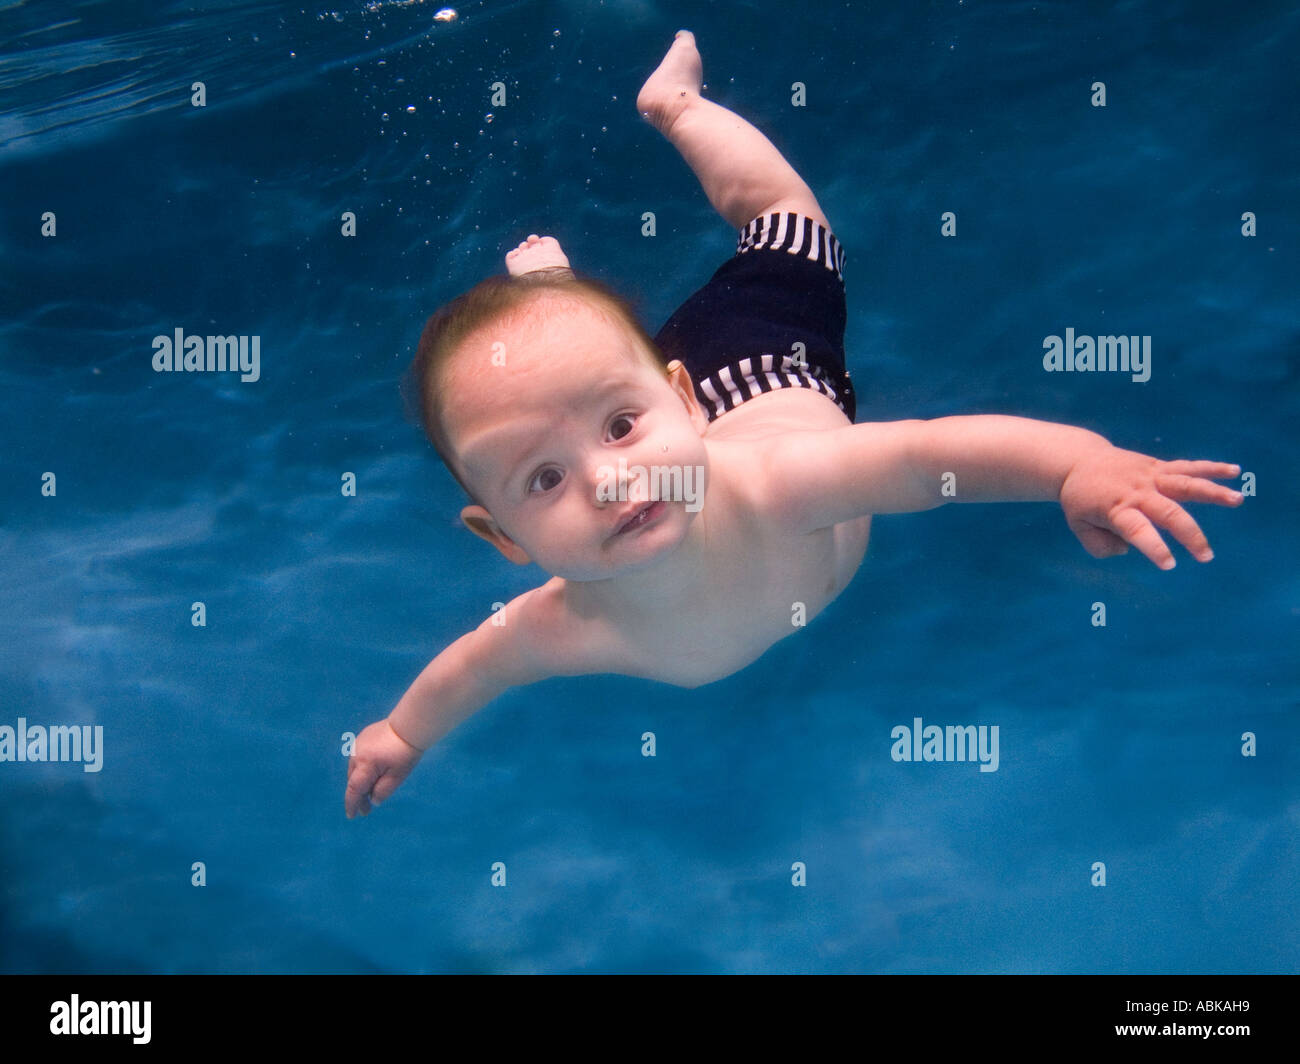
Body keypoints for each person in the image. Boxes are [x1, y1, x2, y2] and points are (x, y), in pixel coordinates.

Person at [344, 30, 1242, 818]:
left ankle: (677, 106)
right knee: (580, 377)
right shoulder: (555, 625)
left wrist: (1075, 465)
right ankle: (560, 316)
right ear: (501, 537)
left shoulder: (783, 490)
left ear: (682, 401)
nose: (609, 481)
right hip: (656, 381)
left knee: (785, 219)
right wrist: (399, 733)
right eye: (543, 479)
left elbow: (933, 458)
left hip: (771, 360)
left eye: (622, 433)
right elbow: (471, 668)